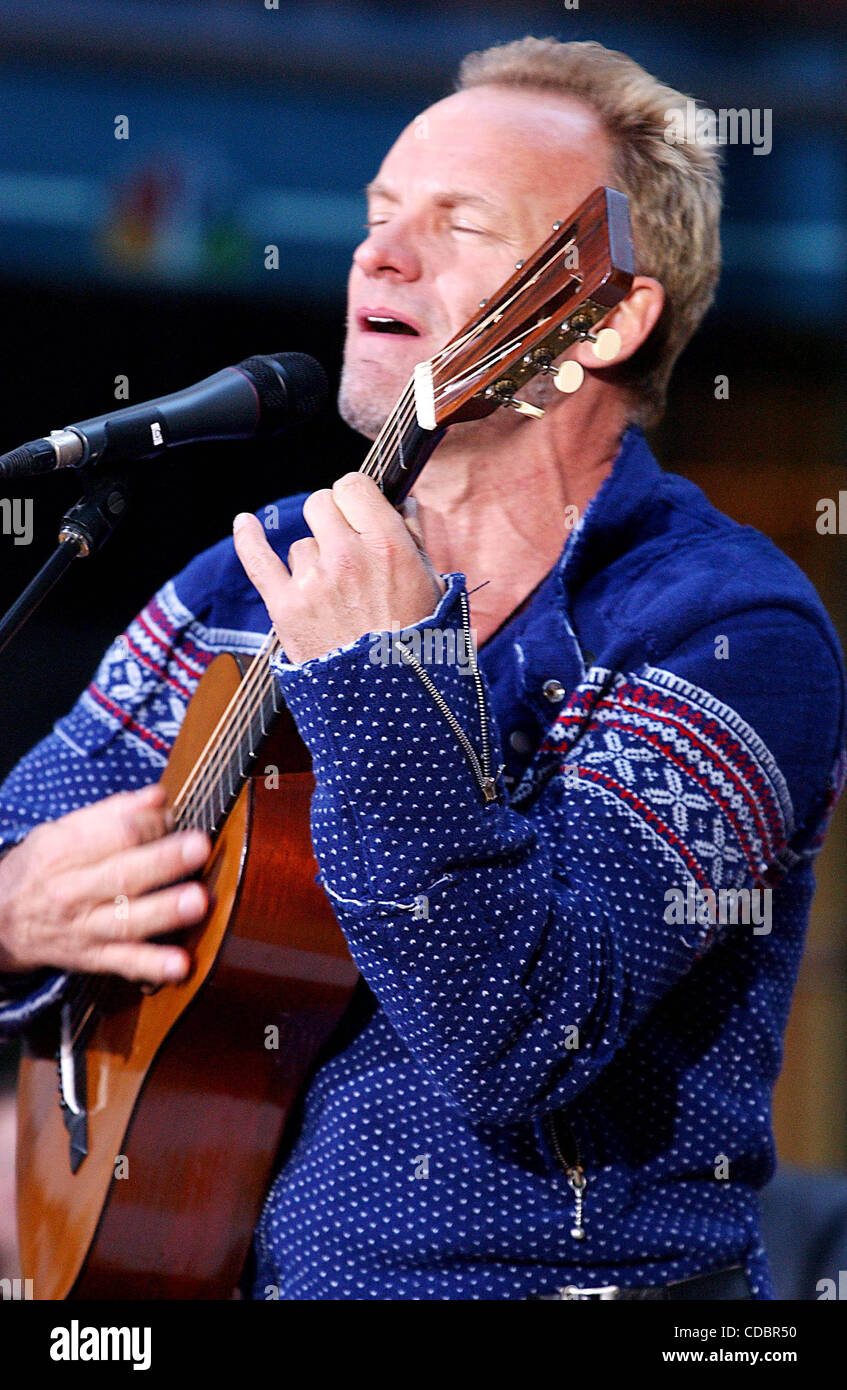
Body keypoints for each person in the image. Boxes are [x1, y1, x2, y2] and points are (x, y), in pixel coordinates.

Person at [0, 37, 844, 1301]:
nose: (377, 257)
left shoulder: (722, 626)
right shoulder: (247, 576)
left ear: (601, 315)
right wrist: (14, 911)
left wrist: (385, 679)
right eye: (377, 216)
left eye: (457, 225)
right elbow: (32, 824)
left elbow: (526, 1032)